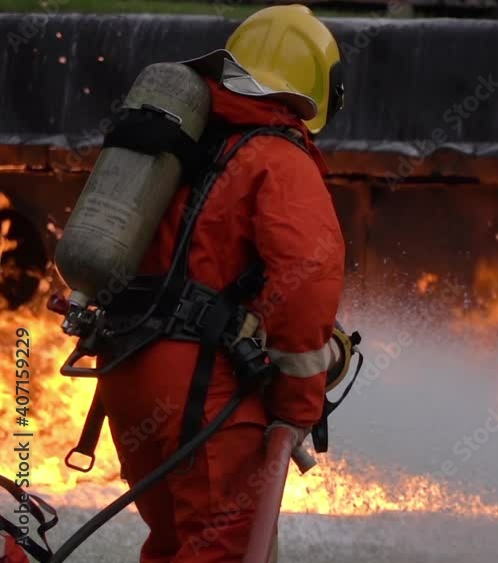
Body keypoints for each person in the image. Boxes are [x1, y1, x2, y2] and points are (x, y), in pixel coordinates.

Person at [96, 5, 346, 561]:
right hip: (201, 387)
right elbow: (307, 280)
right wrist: (298, 405)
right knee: (222, 549)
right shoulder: (277, 158)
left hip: (127, 371)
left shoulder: (178, 149)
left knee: (174, 545)